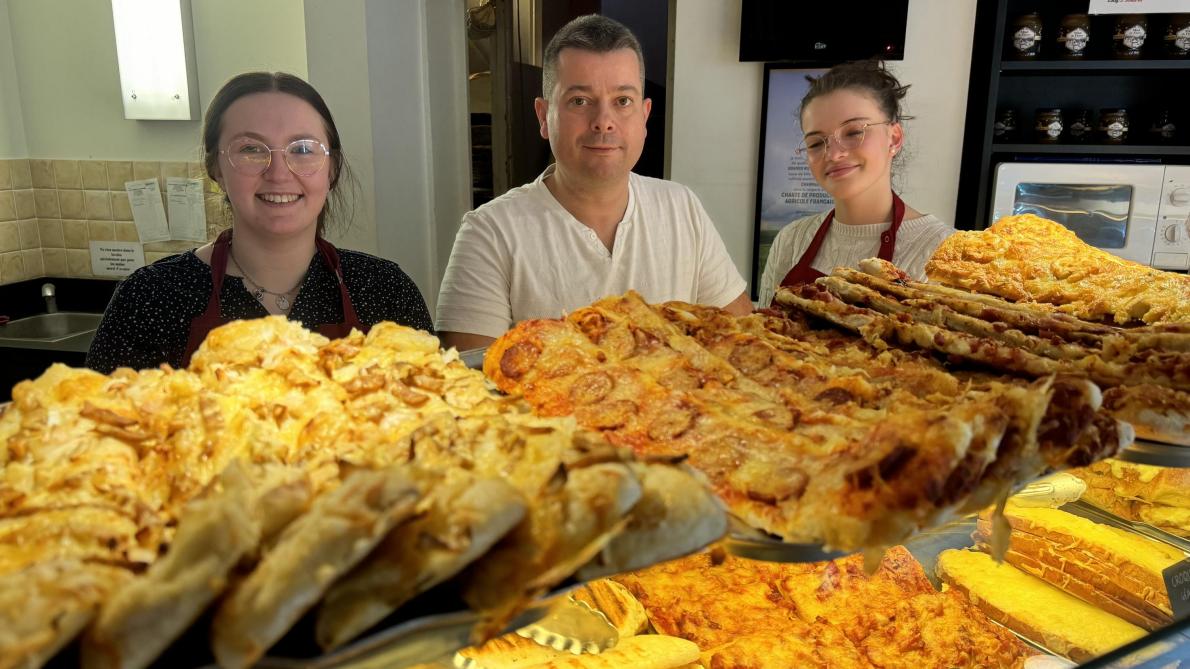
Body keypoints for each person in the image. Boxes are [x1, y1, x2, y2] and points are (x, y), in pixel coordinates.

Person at [436, 14, 751, 352]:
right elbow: (470, 378)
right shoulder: (489, 233)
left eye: (622, 101)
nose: (603, 122)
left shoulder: (682, 208)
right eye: (580, 101)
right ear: (544, 116)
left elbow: (743, 343)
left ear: (645, 116)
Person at [87, 72, 432, 373]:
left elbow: (435, 413)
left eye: (302, 149)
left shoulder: (386, 291)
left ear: (332, 168)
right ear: (215, 168)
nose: (279, 173)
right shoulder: (150, 298)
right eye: (251, 149)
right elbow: (98, 421)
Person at [757, 60, 954, 307]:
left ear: (894, 138)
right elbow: (763, 327)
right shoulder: (791, 239)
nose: (833, 154)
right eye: (816, 143)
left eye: (853, 132)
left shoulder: (943, 254)